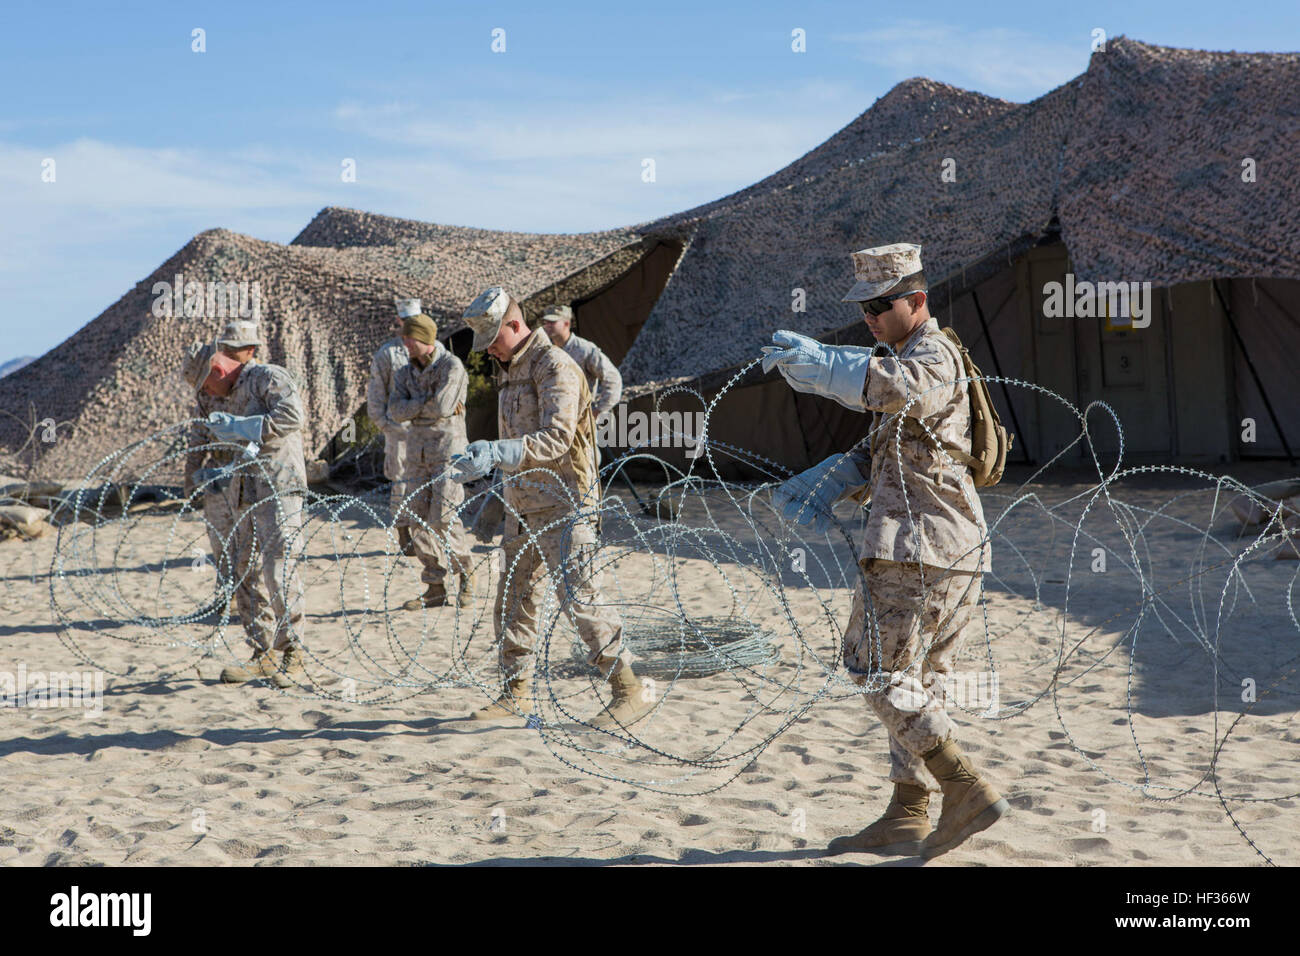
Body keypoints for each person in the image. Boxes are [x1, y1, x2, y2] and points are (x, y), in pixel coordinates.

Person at [763, 243, 1007, 859]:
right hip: (940, 545)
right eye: (863, 307)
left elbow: (899, 391)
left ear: (915, 300)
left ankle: (965, 788)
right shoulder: (904, 352)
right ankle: (908, 812)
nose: (869, 316)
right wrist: (829, 479)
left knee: (873, 670)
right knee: (916, 683)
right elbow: (888, 448)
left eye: (880, 303)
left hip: (919, 547)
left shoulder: (931, 353)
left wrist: (827, 369)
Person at [450, 287, 652, 728]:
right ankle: (515, 692)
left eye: (494, 342)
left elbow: (556, 438)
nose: (490, 353)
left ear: (515, 326)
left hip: (564, 504)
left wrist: (498, 452)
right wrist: (492, 497)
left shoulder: (554, 366)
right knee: (514, 601)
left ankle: (629, 688)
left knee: (581, 601)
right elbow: (517, 443)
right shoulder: (511, 369)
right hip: (523, 507)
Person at [185, 319, 309, 688]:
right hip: (244, 488)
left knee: (278, 568)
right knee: (246, 571)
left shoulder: (267, 377)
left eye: (207, 383)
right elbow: (209, 435)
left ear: (218, 369)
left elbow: (291, 417)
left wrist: (243, 427)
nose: (207, 392)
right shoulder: (226, 393)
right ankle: (263, 652)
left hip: (277, 484)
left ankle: (293, 653)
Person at [387, 310, 475, 609]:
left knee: (444, 519)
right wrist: (425, 404)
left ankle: (464, 573)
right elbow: (395, 410)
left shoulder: (451, 366)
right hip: (416, 455)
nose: (405, 344)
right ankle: (435, 586)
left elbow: (442, 406)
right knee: (417, 521)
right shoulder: (403, 372)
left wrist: (417, 406)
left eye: (410, 338)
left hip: (447, 454)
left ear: (425, 338)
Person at [367, 299, 416, 556]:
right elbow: (376, 393)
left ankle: (424, 533)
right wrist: (384, 424)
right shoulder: (388, 353)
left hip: (427, 431)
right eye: (406, 321)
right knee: (401, 483)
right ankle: (403, 531)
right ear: (398, 322)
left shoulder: (434, 349)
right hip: (399, 432)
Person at [540, 305, 623, 424]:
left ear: (566, 324)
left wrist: (598, 410)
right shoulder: (547, 353)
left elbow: (613, 378)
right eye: (546, 322)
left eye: (552, 322)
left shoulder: (584, 349)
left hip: (581, 421)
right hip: (556, 422)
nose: (547, 326)